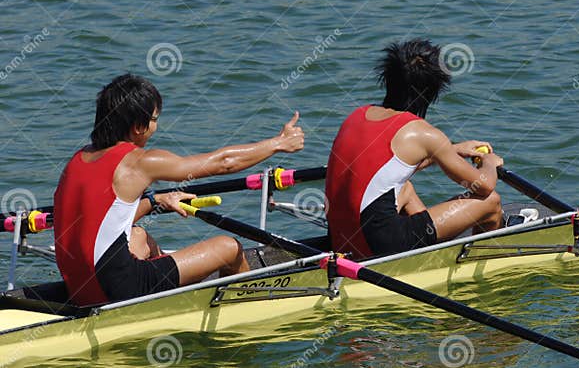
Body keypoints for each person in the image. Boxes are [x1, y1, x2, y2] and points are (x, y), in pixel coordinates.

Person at [54, 74, 304, 306]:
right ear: (139, 127)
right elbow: (224, 162)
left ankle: (169, 295)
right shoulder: (139, 162)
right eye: (154, 119)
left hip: (79, 288)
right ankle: (251, 309)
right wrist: (279, 143)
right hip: (116, 288)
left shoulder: (78, 159)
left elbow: (97, 221)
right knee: (229, 247)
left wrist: (156, 201)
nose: (155, 127)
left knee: (139, 236)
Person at [325, 39, 504, 258]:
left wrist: (452, 150)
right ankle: (480, 261)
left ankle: (429, 251)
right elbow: (483, 186)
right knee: (491, 202)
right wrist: (489, 163)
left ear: (387, 78)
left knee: (405, 188)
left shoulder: (356, 116)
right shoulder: (424, 134)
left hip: (340, 238)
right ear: (432, 91)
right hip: (377, 245)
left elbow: (382, 169)